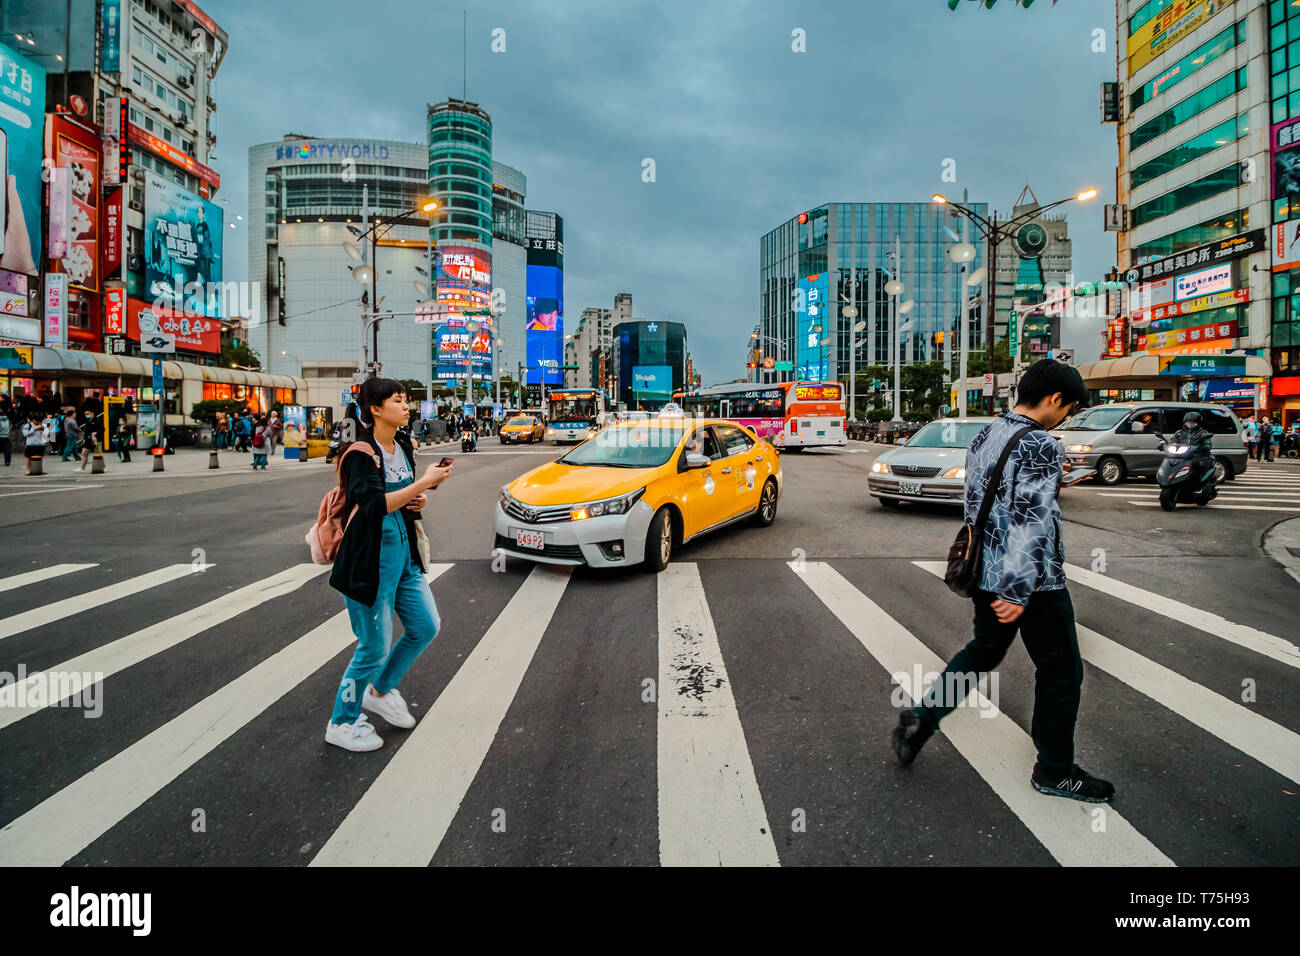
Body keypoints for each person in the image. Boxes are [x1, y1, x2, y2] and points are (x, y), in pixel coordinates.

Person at [891, 359, 1114, 803]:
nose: (1066, 416)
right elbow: (1030, 522)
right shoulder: (1040, 444)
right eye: (1067, 408)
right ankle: (1055, 770)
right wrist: (1018, 590)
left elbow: (986, 499)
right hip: (1032, 583)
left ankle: (923, 717)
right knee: (1062, 673)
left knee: (982, 651)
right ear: (1054, 399)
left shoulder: (989, 434)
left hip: (984, 571)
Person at [325, 378, 451, 751]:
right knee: (372, 647)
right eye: (398, 400)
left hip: (404, 555)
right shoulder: (360, 452)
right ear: (376, 409)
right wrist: (422, 484)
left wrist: (420, 498)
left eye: (406, 400)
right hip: (368, 561)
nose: (406, 406)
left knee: (426, 626)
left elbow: (400, 499)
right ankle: (341, 721)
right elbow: (373, 504)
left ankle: (378, 692)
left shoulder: (404, 446)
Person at [1171, 410, 1216, 499]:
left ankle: (1197, 486)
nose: (1190, 424)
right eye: (1188, 422)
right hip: (1183, 457)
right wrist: (1165, 446)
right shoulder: (1179, 433)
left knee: (1196, 465)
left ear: (1198, 423)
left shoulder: (1202, 433)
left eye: (1193, 422)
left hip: (1199, 457)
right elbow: (1172, 442)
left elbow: (1207, 445)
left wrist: (1201, 447)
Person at [0, 401, 11, 466]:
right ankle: (7, 461)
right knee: (7, 450)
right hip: (6, 436)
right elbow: (10, 427)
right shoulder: (8, 420)